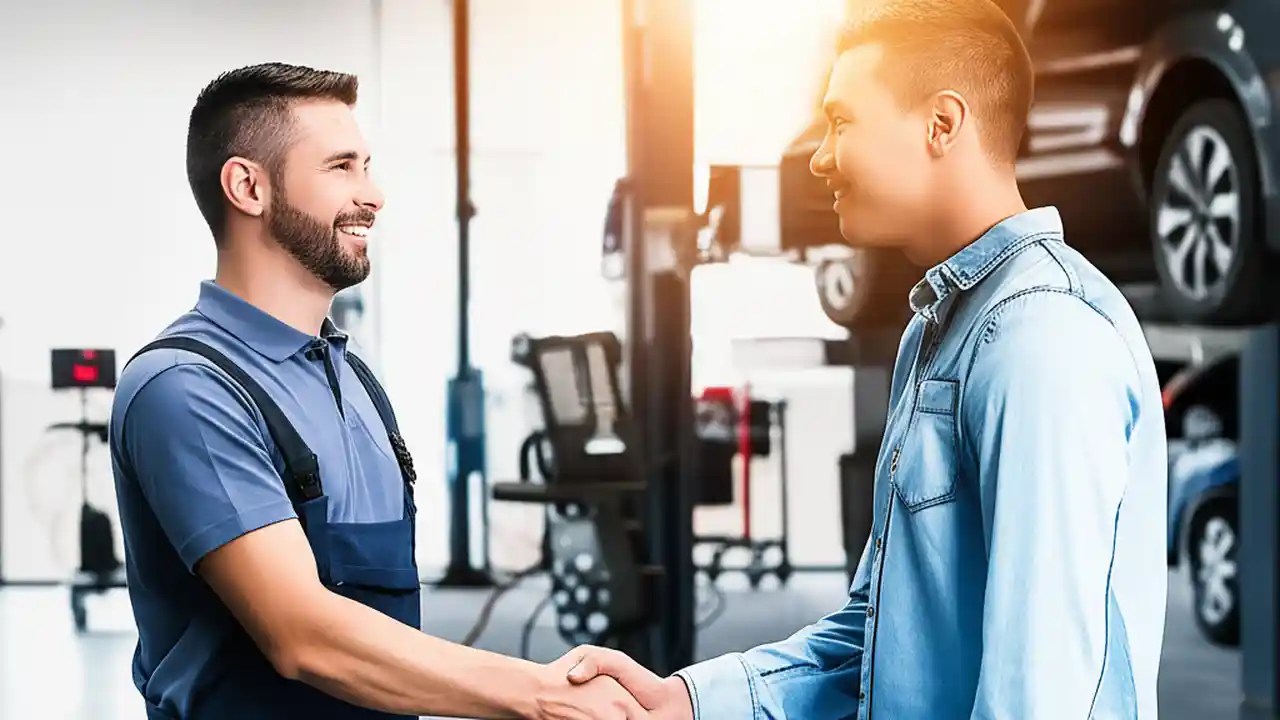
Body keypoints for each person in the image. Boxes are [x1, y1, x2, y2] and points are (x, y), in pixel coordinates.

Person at [563, 0, 1168, 717]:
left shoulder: (1038, 334)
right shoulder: (939, 330)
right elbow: (873, 636)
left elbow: (1040, 692)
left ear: (941, 125)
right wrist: (692, 701)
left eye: (841, 121)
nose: (819, 156)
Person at [109, 62, 647, 720]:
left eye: (367, 165)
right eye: (342, 168)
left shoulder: (352, 373)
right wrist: (536, 693)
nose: (374, 194)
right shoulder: (186, 388)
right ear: (248, 186)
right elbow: (302, 636)